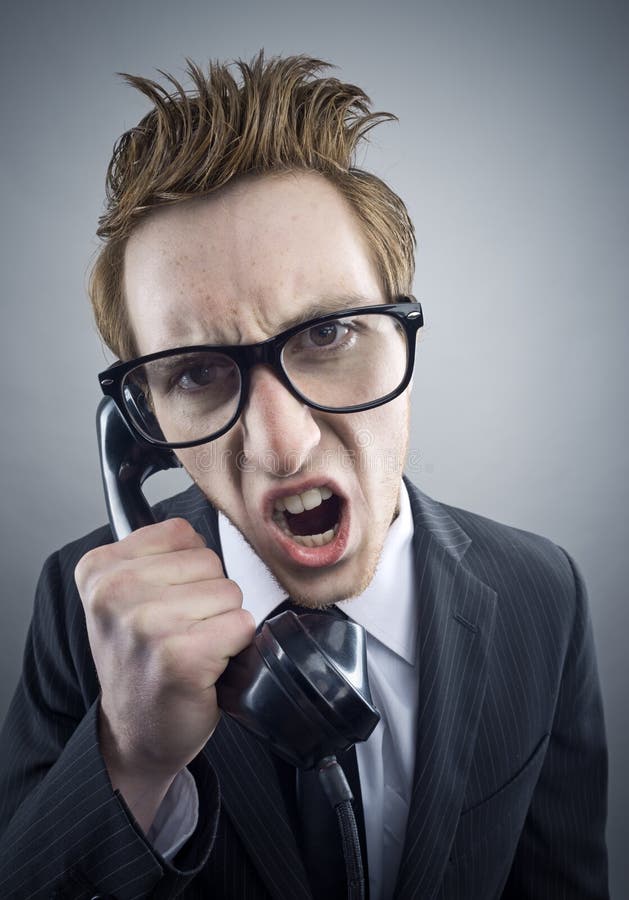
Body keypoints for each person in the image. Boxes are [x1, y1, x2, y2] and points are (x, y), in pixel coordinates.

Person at [0, 52, 608, 900]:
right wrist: (130, 758)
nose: (281, 446)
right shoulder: (84, 609)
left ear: (407, 341)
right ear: (143, 428)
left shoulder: (543, 591)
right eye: (196, 373)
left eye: (326, 336)